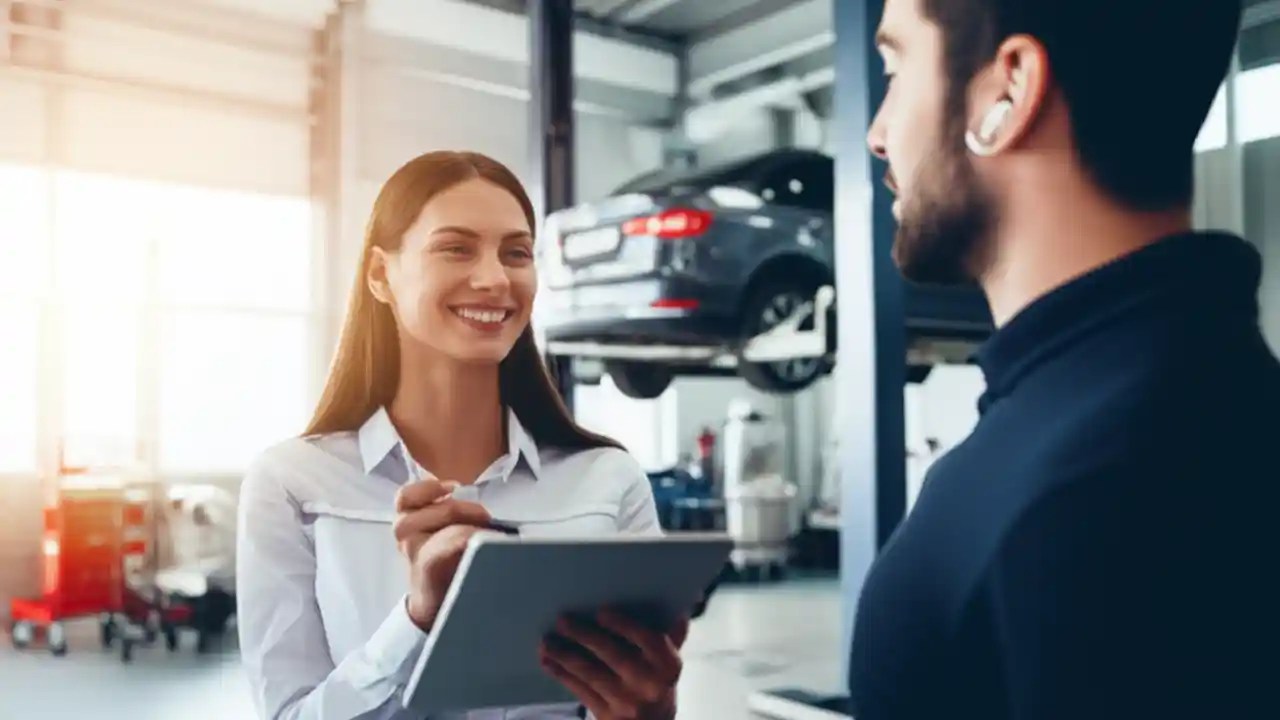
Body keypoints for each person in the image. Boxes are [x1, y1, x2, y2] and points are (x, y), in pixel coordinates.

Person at [851, 0, 1277, 718]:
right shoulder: (1195, 400)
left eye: (895, 71)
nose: (877, 133)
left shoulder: (1094, 503)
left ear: (1007, 91)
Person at [237, 151, 686, 720]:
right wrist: (418, 618)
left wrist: (651, 711)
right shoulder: (292, 484)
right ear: (381, 275)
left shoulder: (608, 480)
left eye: (516, 253)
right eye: (456, 247)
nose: (495, 279)